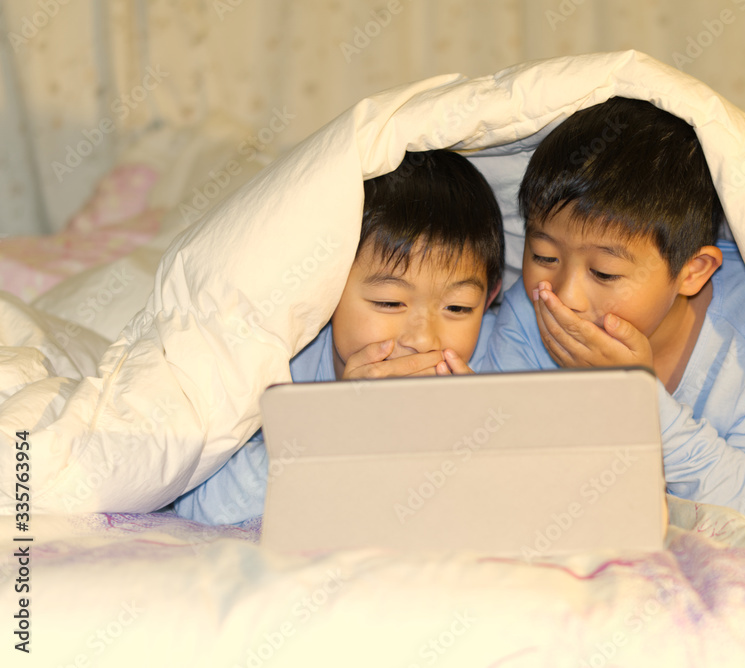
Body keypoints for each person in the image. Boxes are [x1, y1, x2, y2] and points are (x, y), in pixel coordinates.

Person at [480, 97, 745, 515]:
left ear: (693, 272)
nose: (564, 296)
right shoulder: (531, 313)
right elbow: (504, 473)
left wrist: (640, 399)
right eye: (544, 256)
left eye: (603, 273)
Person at [174, 150, 505, 524]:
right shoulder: (285, 362)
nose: (424, 340)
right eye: (390, 302)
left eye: (458, 308)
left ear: (490, 298)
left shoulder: (499, 361)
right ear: (325, 291)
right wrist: (335, 428)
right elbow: (202, 504)